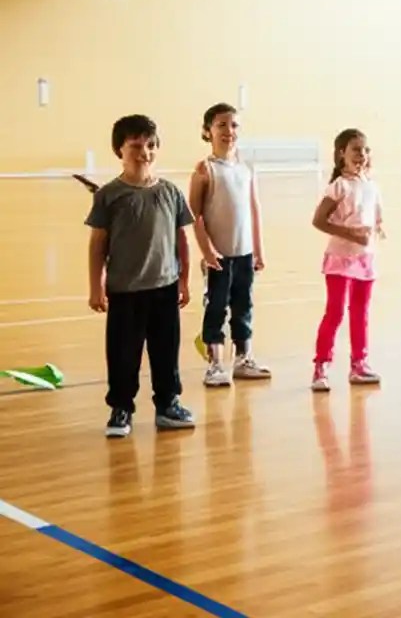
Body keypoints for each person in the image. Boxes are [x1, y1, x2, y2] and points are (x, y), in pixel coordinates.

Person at [87, 114, 197, 438]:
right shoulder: (109, 196)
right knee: (123, 354)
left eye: (150, 145)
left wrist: (184, 280)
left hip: (164, 288)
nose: (144, 152)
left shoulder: (171, 192)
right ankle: (121, 408)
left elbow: (181, 239)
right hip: (125, 291)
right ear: (119, 150)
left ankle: (168, 405)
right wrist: (96, 287)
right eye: (135, 146)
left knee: (166, 351)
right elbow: (97, 245)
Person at [188, 102, 270, 387]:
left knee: (243, 305)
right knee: (216, 307)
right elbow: (195, 215)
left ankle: (243, 358)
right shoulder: (205, 169)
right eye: (221, 125)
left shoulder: (246, 168)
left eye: (234, 125)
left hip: (244, 253)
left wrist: (258, 249)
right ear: (207, 131)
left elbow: (254, 209)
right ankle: (214, 364)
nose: (229, 130)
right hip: (218, 256)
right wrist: (207, 250)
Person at [310, 129, 385, 391]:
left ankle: (359, 364)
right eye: (355, 149)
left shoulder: (371, 185)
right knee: (335, 312)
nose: (361, 155)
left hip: (365, 258)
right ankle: (321, 365)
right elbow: (319, 221)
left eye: (365, 150)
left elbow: (374, 215)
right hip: (340, 258)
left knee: (361, 312)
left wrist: (378, 228)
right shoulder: (338, 186)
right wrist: (351, 234)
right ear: (342, 153)